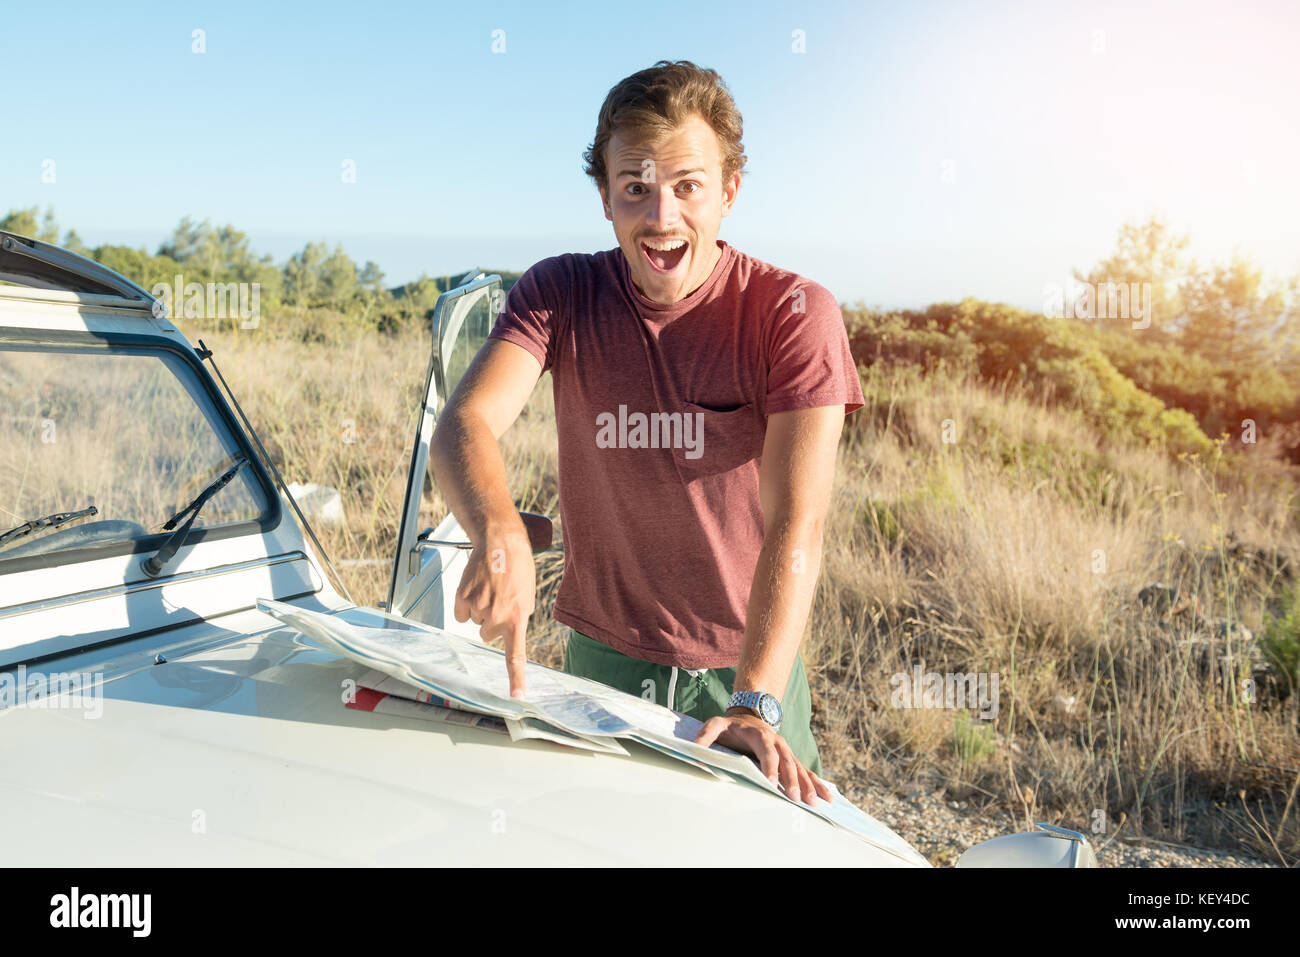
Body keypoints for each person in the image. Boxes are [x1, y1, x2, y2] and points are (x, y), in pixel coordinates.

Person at [429, 60, 864, 808]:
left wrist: (755, 697)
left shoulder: (794, 313)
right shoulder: (559, 291)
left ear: (729, 191)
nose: (661, 215)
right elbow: (466, 421)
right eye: (635, 186)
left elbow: (802, 519)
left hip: (744, 667)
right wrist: (496, 527)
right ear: (604, 196)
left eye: (688, 185)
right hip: (600, 659)